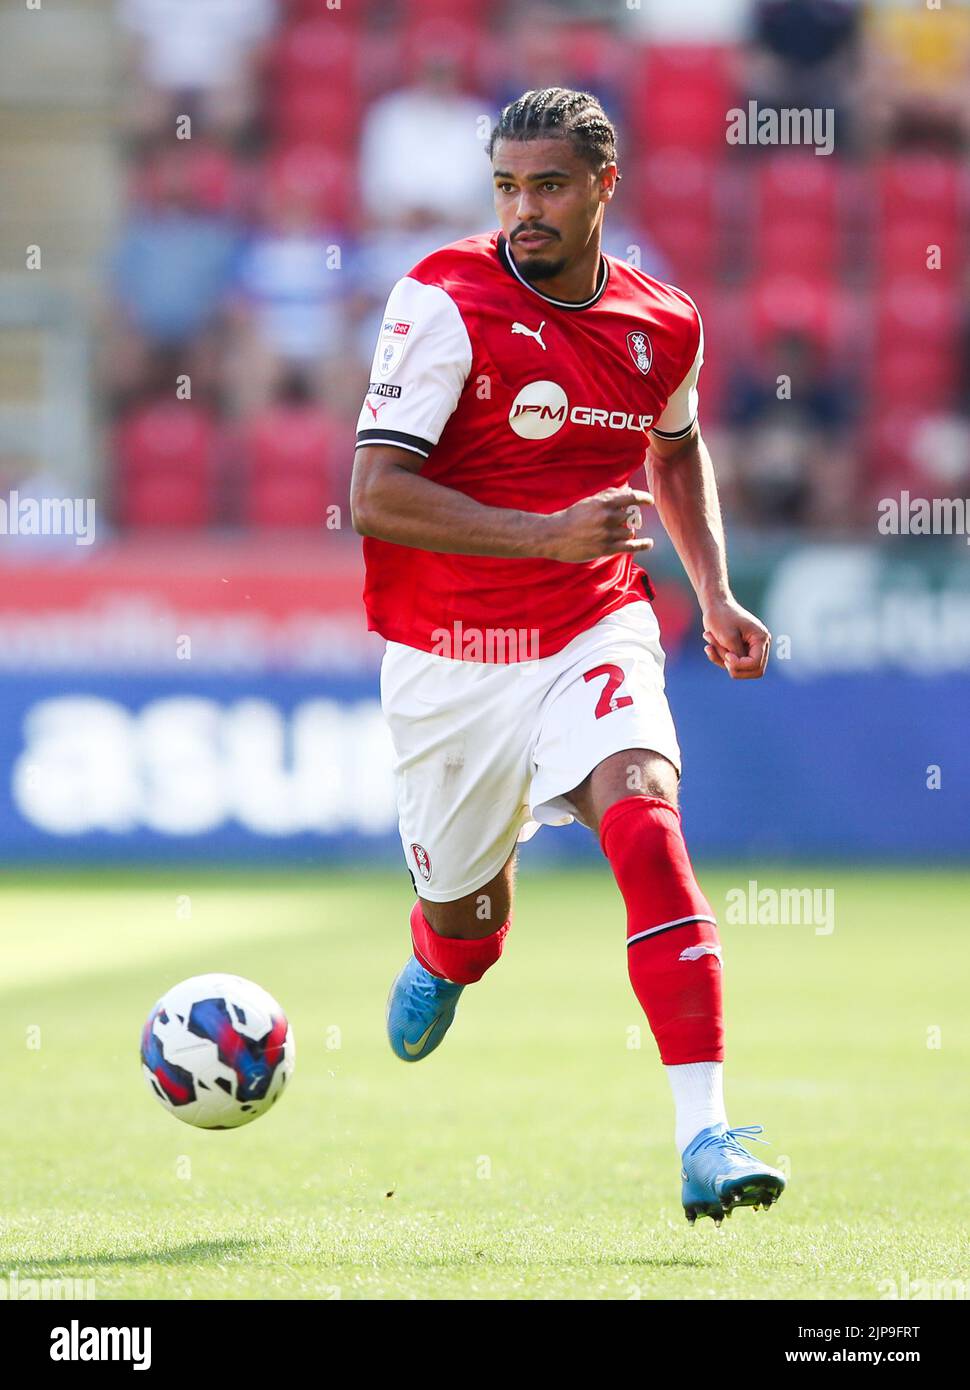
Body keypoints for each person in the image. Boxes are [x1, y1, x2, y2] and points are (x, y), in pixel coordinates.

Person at [350, 88, 786, 1225]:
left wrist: (715, 594)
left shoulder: (664, 322)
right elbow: (374, 495)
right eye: (505, 186)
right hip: (451, 655)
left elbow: (674, 454)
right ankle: (444, 954)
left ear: (604, 185)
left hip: (596, 619)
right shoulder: (443, 300)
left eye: (546, 186)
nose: (522, 210)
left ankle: (703, 1133)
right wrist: (540, 532)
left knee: (644, 814)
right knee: (470, 920)